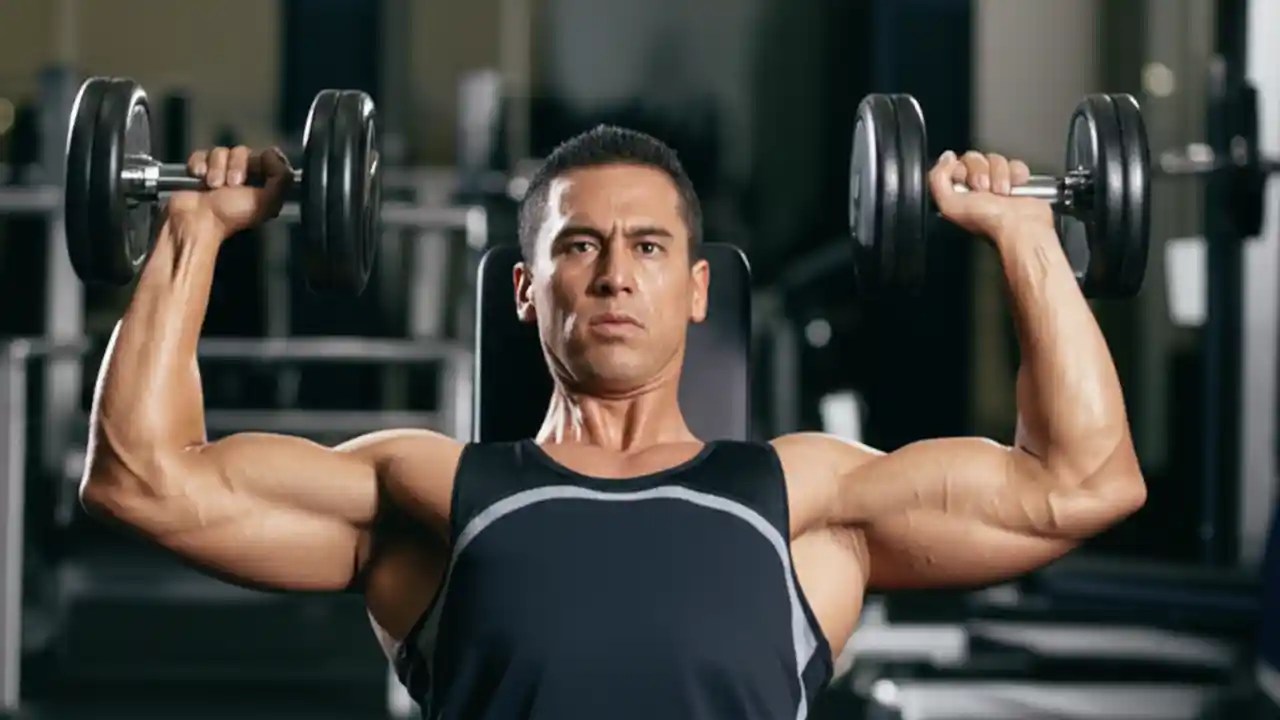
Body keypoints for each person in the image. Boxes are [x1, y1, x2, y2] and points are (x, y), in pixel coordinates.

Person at [78, 125, 1146, 719]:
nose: (613, 276)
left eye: (646, 247)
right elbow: (143, 479)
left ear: (695, 289)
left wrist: (1024, 237)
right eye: (578, 246)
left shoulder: (803, 504)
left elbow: (1083, 482)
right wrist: (193, 233)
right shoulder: (433, 496)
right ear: (525, 290)